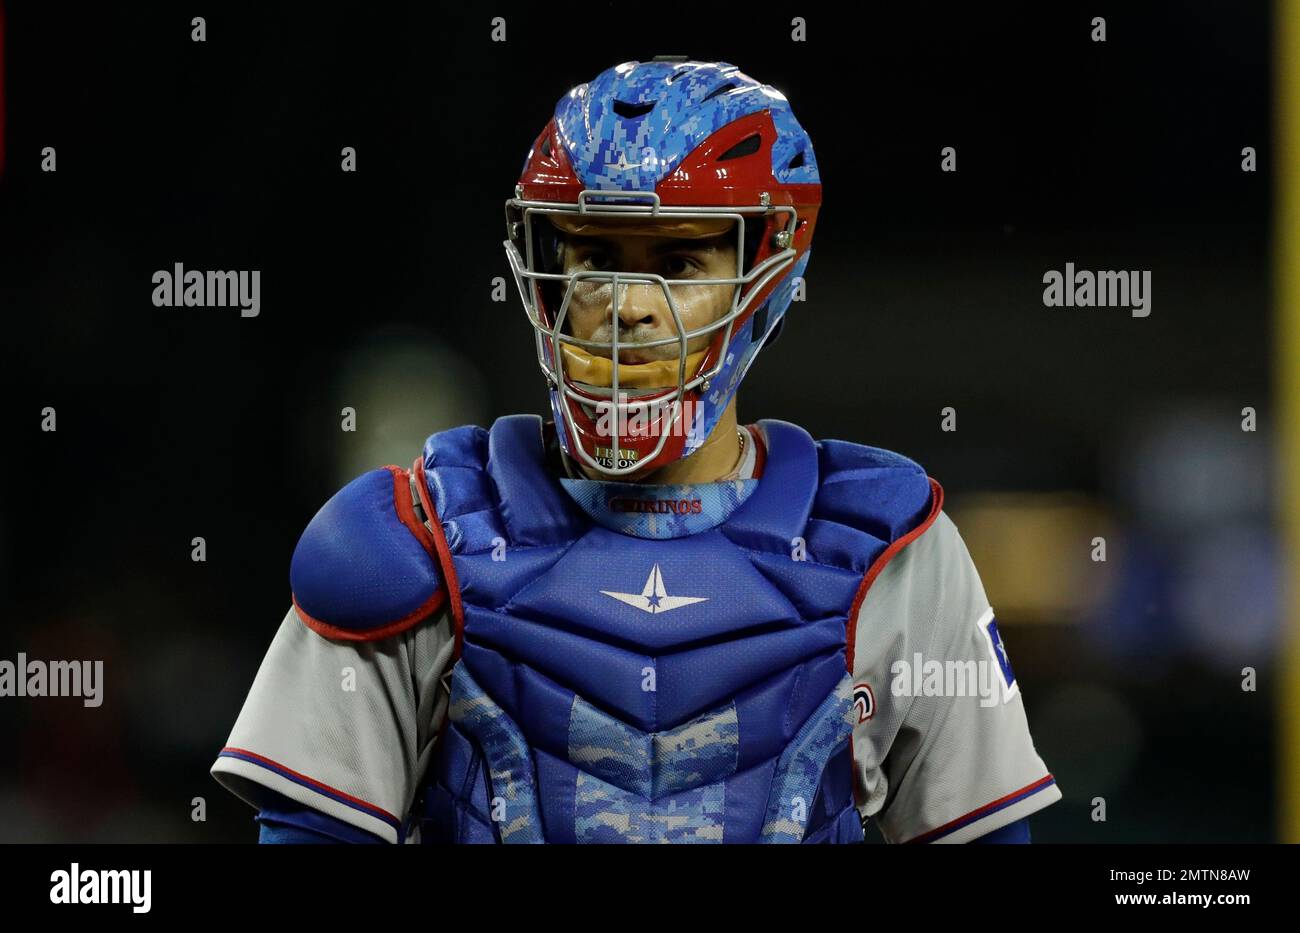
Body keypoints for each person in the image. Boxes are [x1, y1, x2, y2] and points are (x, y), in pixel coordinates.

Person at [212, 56, 1060, 844]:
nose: (626, 305)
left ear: (767, 272)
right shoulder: (414, 538)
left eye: (680, 259)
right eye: (595, 256)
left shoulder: (888, 549)